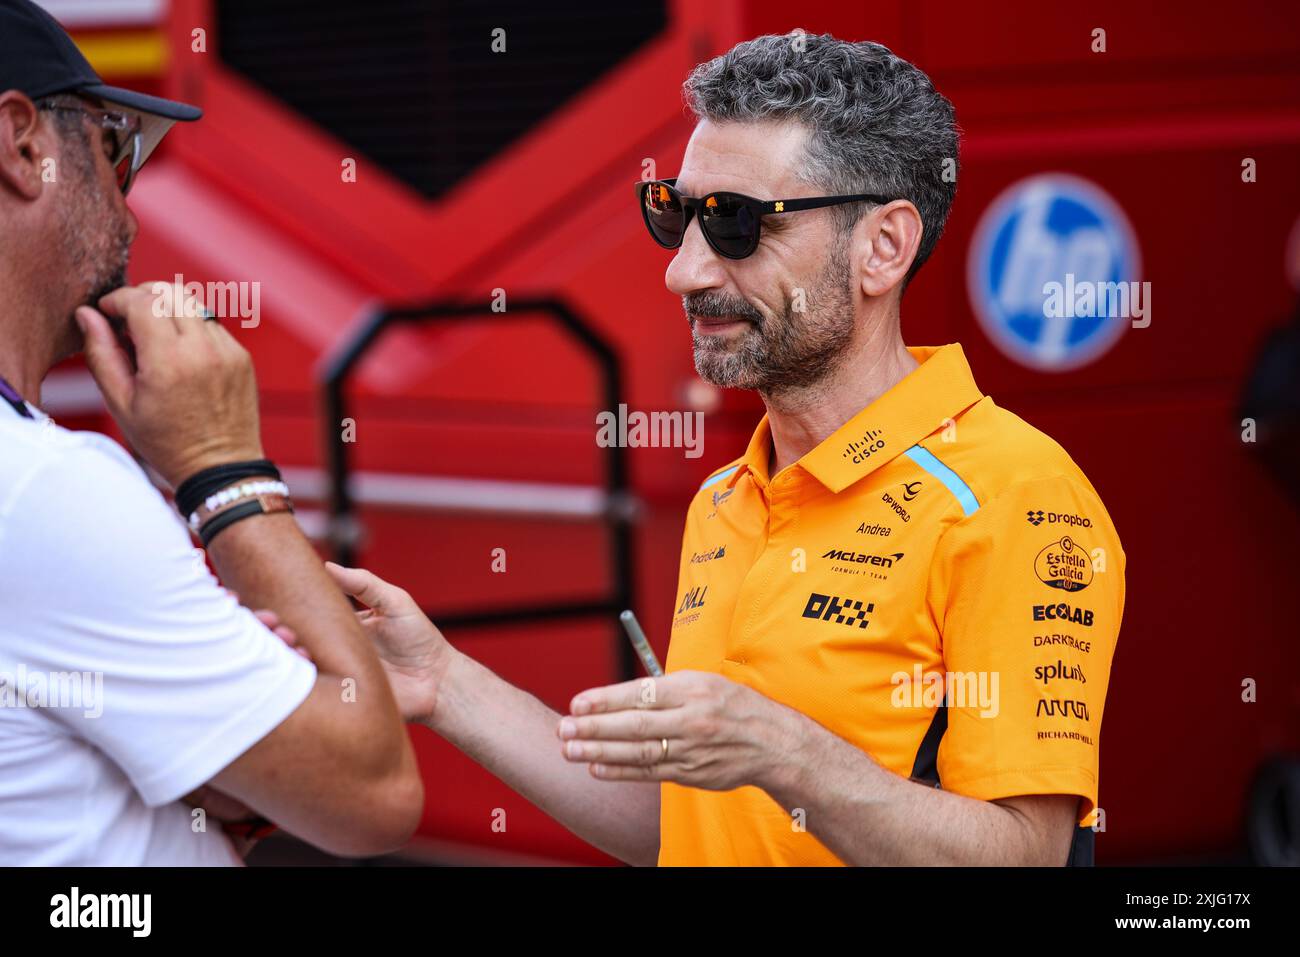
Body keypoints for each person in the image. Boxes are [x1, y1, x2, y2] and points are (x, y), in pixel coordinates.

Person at [328, 33, 1125, 866]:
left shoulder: (1011, 495)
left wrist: (785, 753)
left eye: (736, 223)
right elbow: (692, 826)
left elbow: (1028, 853)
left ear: (883, 248)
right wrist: (446, 683)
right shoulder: (728, 496)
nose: (684, 270)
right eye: (675, 213)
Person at [0, 0, 422, 865]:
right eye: (115, 146)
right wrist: (223, 466)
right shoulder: (45, 488)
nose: (132, 211)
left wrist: (222, 765)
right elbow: (374, 791)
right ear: (24, 144)